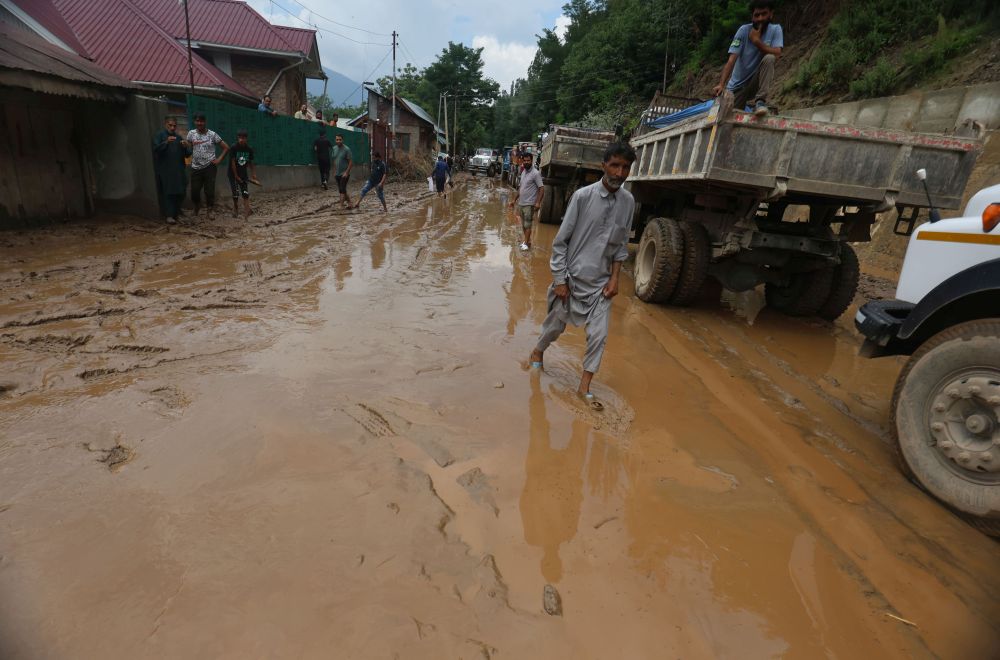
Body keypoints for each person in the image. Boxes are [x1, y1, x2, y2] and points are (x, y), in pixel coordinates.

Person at [528, 142, 637, 410]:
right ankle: (538, 351)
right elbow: (560, 242)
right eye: (615, 165)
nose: (620, 172)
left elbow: (621, 246)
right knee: (554, 328)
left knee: (599, 336)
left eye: (625, 167)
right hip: (572, 279)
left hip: (601, 285)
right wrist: (560, 280)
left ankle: (584, 387)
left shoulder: (628, 202)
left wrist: (615, 278)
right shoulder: (582, 197)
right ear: (603, 165)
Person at [712, 0, 783, 116]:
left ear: (771, 14)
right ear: (752, 17)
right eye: (757, 15)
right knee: (727, 119)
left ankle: (760, 102)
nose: (760, 18)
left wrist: (756, 42)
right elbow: (731, 60)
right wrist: (721, 84)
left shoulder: (775, 29)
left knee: (770, 58)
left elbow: (777, 53)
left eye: (764, 14)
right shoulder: (743, 31)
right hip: (737, 87)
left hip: (755, 82)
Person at [185, 113, 229, 220]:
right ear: (194, 122)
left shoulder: (212, 135)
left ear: (205, 122)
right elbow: (189, 146)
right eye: (197, 121)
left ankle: (210, 210)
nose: (199, 123)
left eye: (201, 121)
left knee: (209, 191)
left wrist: (219, 160)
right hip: (195, 167)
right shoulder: (191, 134)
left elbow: (226, 147)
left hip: (209, 167)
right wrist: (185, 145)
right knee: (194, 191)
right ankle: (197, 206)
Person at [152, 116, 190, 224]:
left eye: (174, 126)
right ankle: (169, 215)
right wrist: (166, 142)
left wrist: (186, 146)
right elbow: (156, 149)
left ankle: (177, 212)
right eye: (170, 125)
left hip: (179, 170)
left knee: (181, 191)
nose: (172, 128)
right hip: (166, 170)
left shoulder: (178, 137)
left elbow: (187, 154)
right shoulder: (160, 136)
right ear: (165, 124)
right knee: (169, 192)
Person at [507, 151, 544, 251]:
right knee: (524, 224)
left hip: (529, 203)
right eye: (525, 160)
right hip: (521, 203)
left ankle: (526, 244)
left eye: (528, 160)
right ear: (522, 161)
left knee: (527, 224)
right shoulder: (523, 172)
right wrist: (514, 200)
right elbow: (521, 188)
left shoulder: (535, 173)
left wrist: (538, 202)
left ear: (532, 161)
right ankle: (528, 241)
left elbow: (541, 188)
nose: (526, 162)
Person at [227, 129, 257, 219]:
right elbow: (232, 162)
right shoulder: (234, 148)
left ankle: (247, 213)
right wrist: (236, 176)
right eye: (239, 138)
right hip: (233, 174)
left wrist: (253, 173)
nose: (241, 140)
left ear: (246, 139)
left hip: (243, 174)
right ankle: (235, 208)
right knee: (235, 193)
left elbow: (251, 162)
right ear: (237, 138)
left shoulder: (249, 149)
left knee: (245, 193)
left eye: (243, 138)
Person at [330, 133, 353, 207]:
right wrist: (334, 172)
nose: (338, 141)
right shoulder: (334, 148)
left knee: (342, 189)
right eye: (337, 139)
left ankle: (341, 206)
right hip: (337, 173)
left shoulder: (347, 149)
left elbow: (350, 163)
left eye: (340, 139)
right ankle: (349, 202)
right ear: (335, 140)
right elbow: (334, 161)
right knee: (342, 189)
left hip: (344, 173)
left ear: (342, 140)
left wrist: (346, 172)